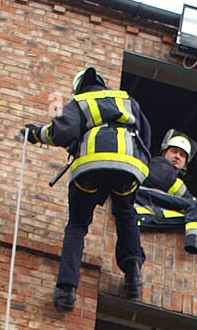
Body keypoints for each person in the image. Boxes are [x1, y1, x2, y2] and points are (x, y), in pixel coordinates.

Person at [20, 67, 152, 311]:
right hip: (128, 166)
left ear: (79, 87)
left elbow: (63, 131)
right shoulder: (126, 99)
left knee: (78, 225)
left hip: (90, 168)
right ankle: (133, 270)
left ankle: (66, 291)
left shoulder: (79, 101)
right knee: (125, 213)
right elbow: (145, 133)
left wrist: (37, 134)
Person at [138, 130, 197, 254]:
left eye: (182, 155)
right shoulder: (158, 166)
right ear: (165, 153)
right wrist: (193, 203)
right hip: (143, 211)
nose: (178, 156)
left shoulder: (172, 178)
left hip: (151, 214)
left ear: (185, 164)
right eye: (174, 151)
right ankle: (193, 240)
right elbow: (164, 180)